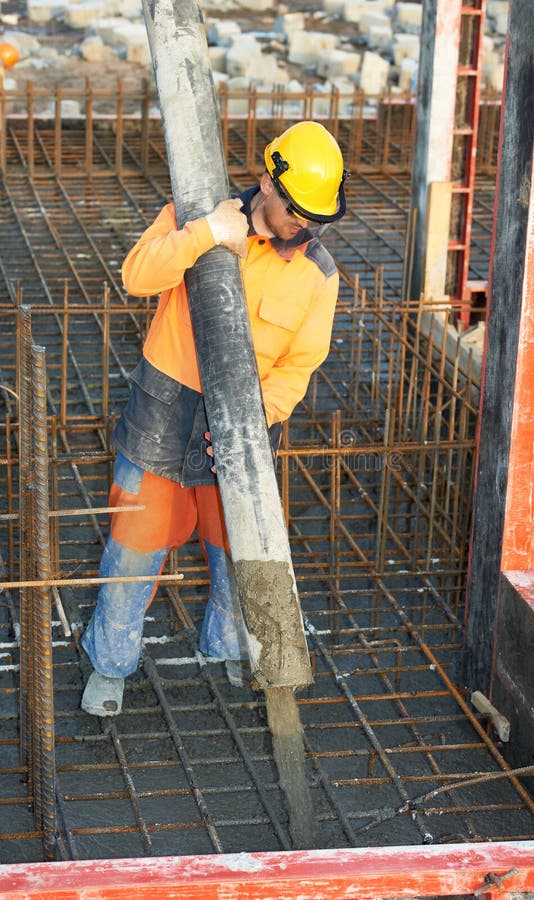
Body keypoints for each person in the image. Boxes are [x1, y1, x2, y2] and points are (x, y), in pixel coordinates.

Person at [80, 120, 349, 716]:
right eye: (296, 211)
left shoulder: (318, 274)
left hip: (242, 433)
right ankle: (111, 664)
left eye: (317, 218)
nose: (305, 226)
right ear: (266, 184)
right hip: (162, 420)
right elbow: (137, 274)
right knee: (132, 551)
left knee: (238, 555)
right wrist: (202, 234)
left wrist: (256, 421)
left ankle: (230, 649)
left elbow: (300, 366)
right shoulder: (195, 214)